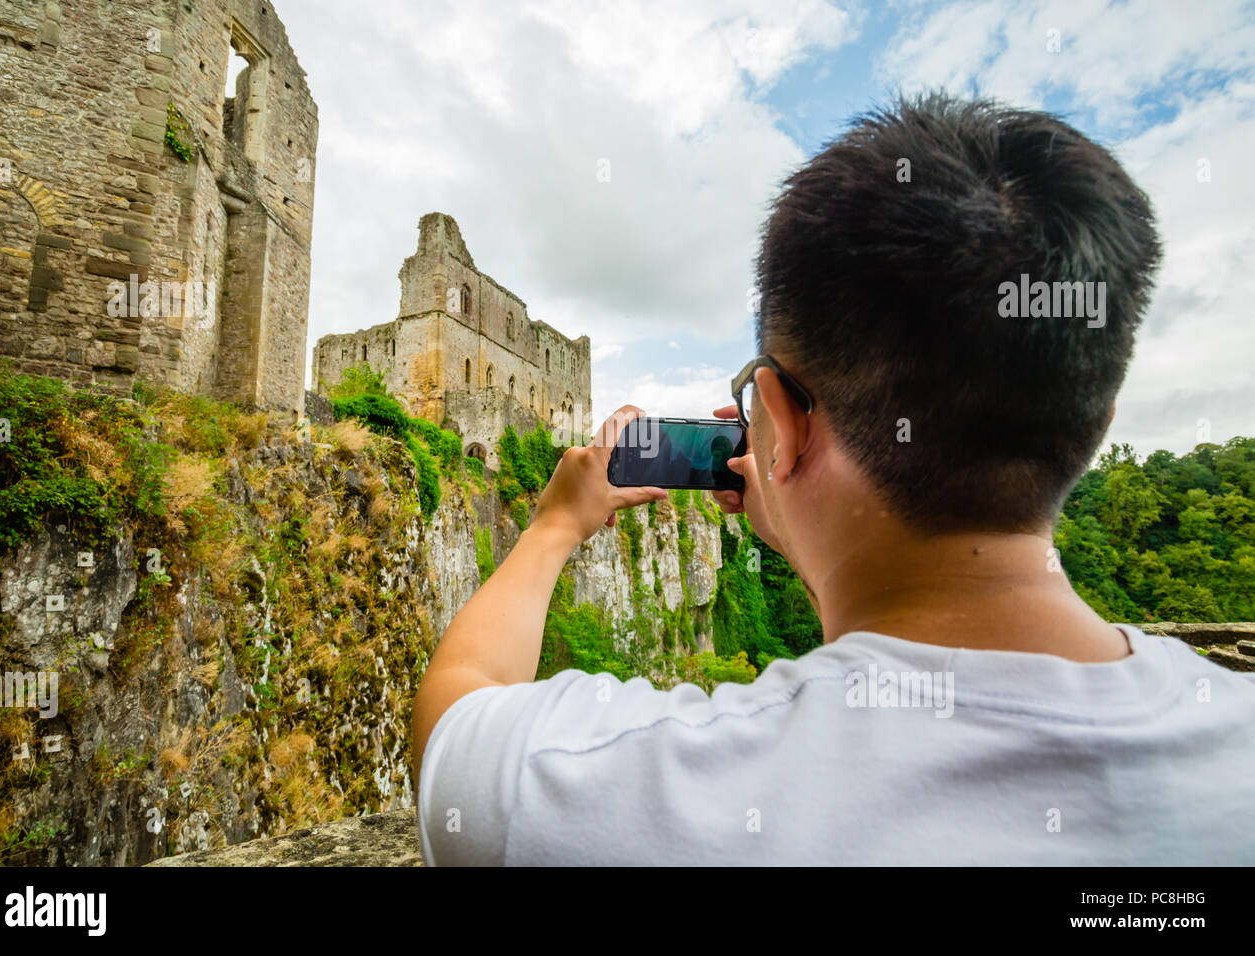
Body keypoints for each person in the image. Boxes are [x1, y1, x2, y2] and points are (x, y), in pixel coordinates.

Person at [411, 93, 1255, 865]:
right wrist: (818, 526)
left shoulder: (635, 793)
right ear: (1096, 423)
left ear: (779, 411)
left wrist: (557, 524)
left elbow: (456, 715)